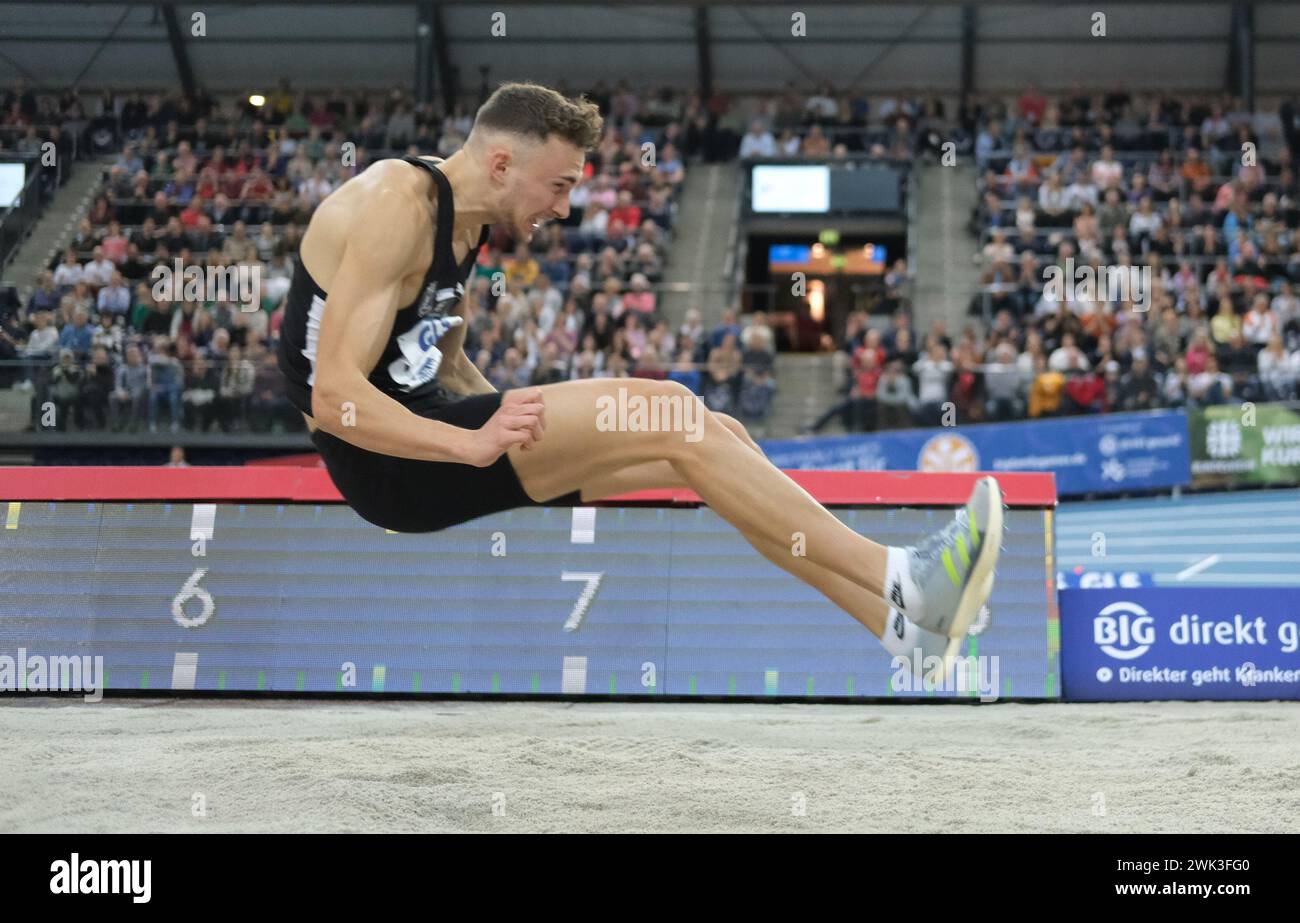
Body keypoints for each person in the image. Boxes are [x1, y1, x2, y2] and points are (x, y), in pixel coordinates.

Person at [276, 82, 1003, 682]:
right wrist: (474, 446)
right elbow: (334, 398)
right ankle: (903, 575)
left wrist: (512, 431)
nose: (564, 207)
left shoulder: (466, 228)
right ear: (500, 164)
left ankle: (902, 632)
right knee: (674, 413)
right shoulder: (395, 205)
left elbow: (448, 362)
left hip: (430, 433)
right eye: (558, 185)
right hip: (383, 457)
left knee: (717, 441)